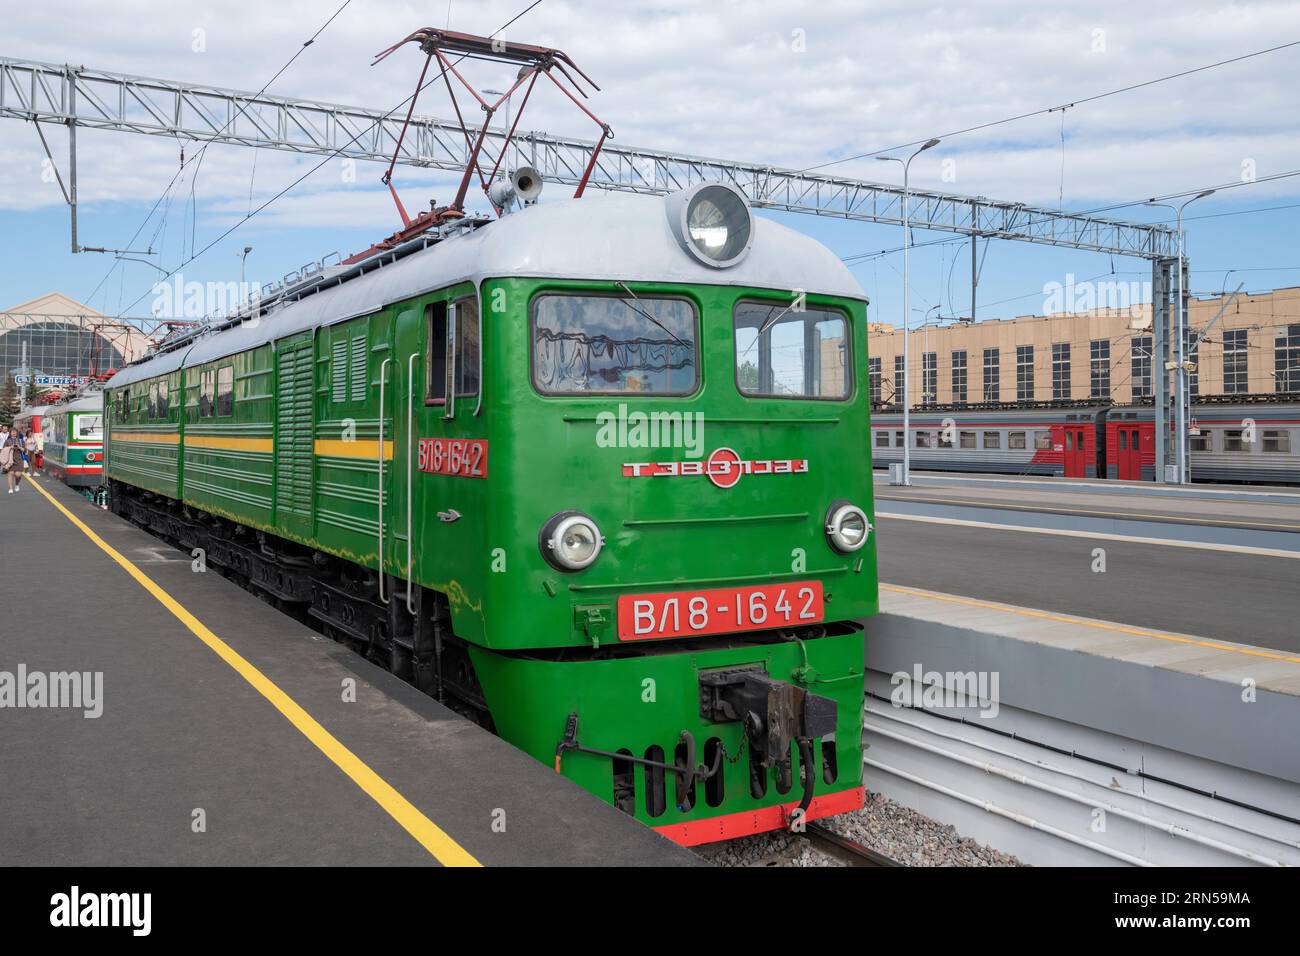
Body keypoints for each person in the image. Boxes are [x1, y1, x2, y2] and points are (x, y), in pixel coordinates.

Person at [1, 424, 24, 493]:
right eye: (12, 432)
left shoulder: (20, 440)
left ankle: (17, 484)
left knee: (18, 474)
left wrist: (19, 447)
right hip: (10, 459)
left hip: (19, 459)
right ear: (10, 433)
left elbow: (25, 450)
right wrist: (10, 447)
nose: (14, 433)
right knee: (10, 473)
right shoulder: (7, 441)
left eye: (15, 432)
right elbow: (3, 450)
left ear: (17, 433)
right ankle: (10, 488)